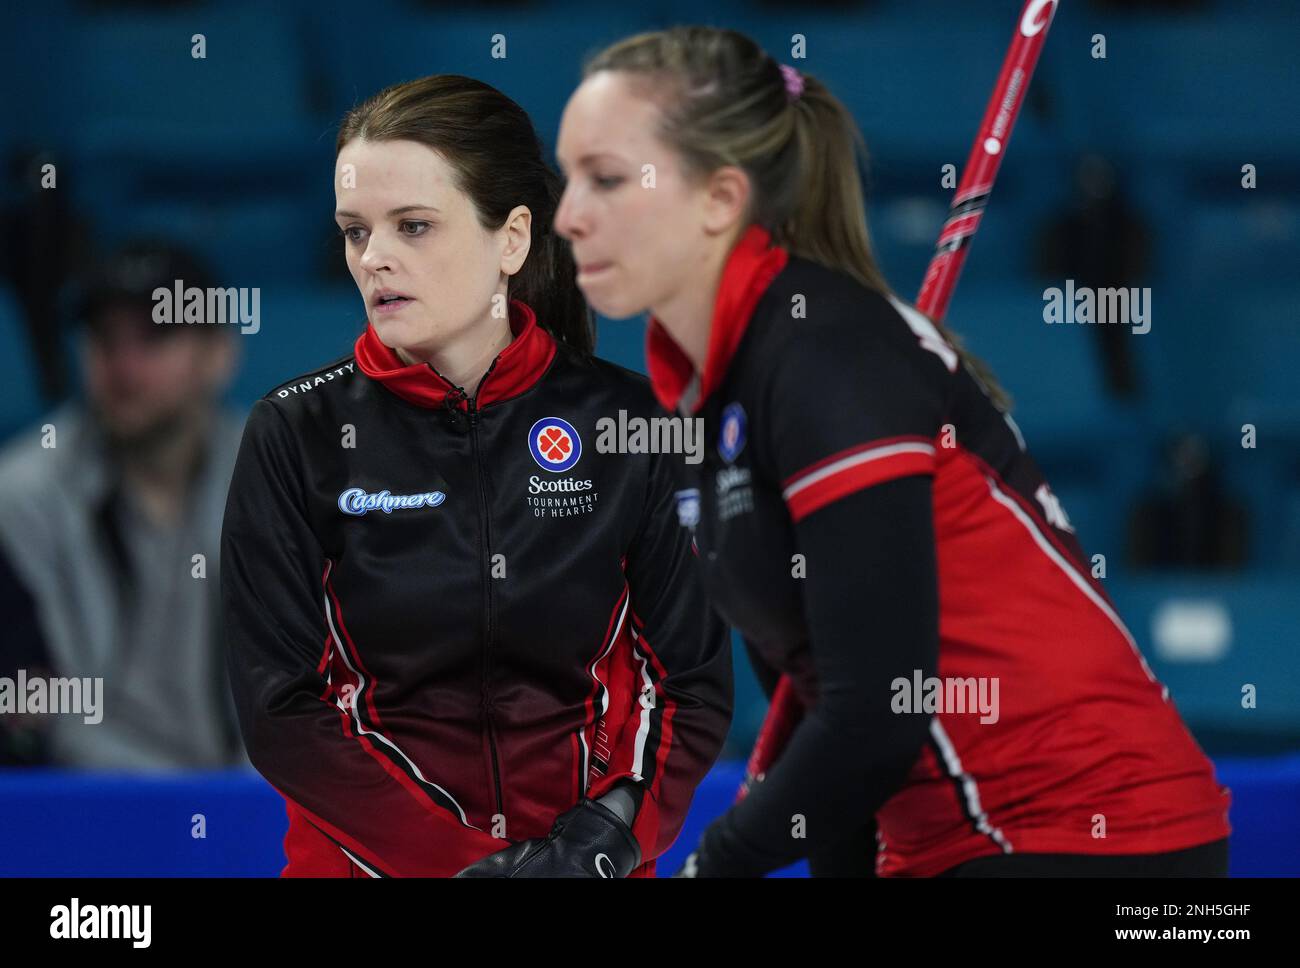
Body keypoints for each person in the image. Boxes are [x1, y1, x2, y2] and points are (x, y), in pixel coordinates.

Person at [552, 26, 1231, 877]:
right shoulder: (709, 390)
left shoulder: (827, 357)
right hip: (943, 843)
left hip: (1086, 836)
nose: (567, 214)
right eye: (570, 177)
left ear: (720, 198)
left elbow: (876, 714)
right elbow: (829, 709)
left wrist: (711, 868)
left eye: (606, 179)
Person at [220, 74, 731, 878]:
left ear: (513, 239)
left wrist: (604, 840)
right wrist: (471, 869)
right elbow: (280, 709)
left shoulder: (635, 425)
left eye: (413, 226)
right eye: (355, 232)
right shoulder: (295, 432)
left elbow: (691, 684)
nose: (375, 257)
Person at [0, 240, 247, 769]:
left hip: (261, 810)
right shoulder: (21, 497)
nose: (124, 365)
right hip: (87, 814)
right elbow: (30, 709)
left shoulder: (290, 478)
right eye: (104, 340)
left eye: (154, 337)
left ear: (219, 355)